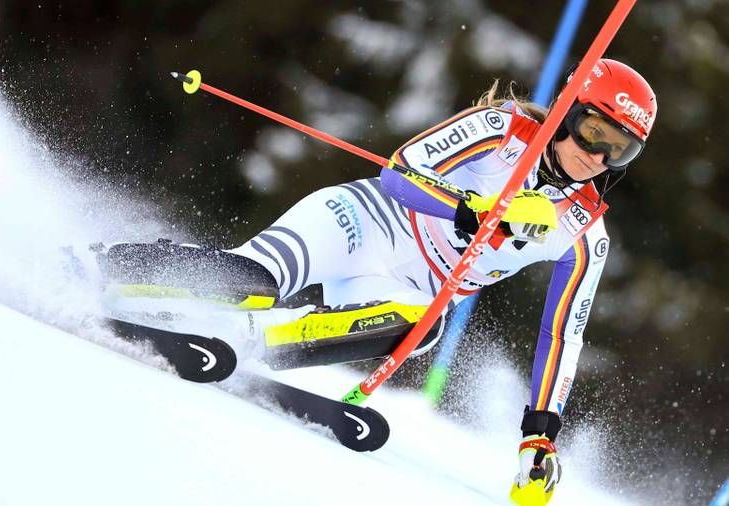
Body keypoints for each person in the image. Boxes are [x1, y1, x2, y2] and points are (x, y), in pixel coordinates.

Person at [96, 58, 656, 494]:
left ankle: (240, 343)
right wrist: (473, 210)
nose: (597, 157)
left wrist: (540, 433)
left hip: (409, 289)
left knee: (423, 328)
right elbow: (402, 172)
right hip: (363, 222)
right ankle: (107, 266)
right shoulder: (502, 129)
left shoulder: (584, 233)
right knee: (253, 282)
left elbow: (563, 333)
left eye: (619, 150)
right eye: (591, 132)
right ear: (566, 110)